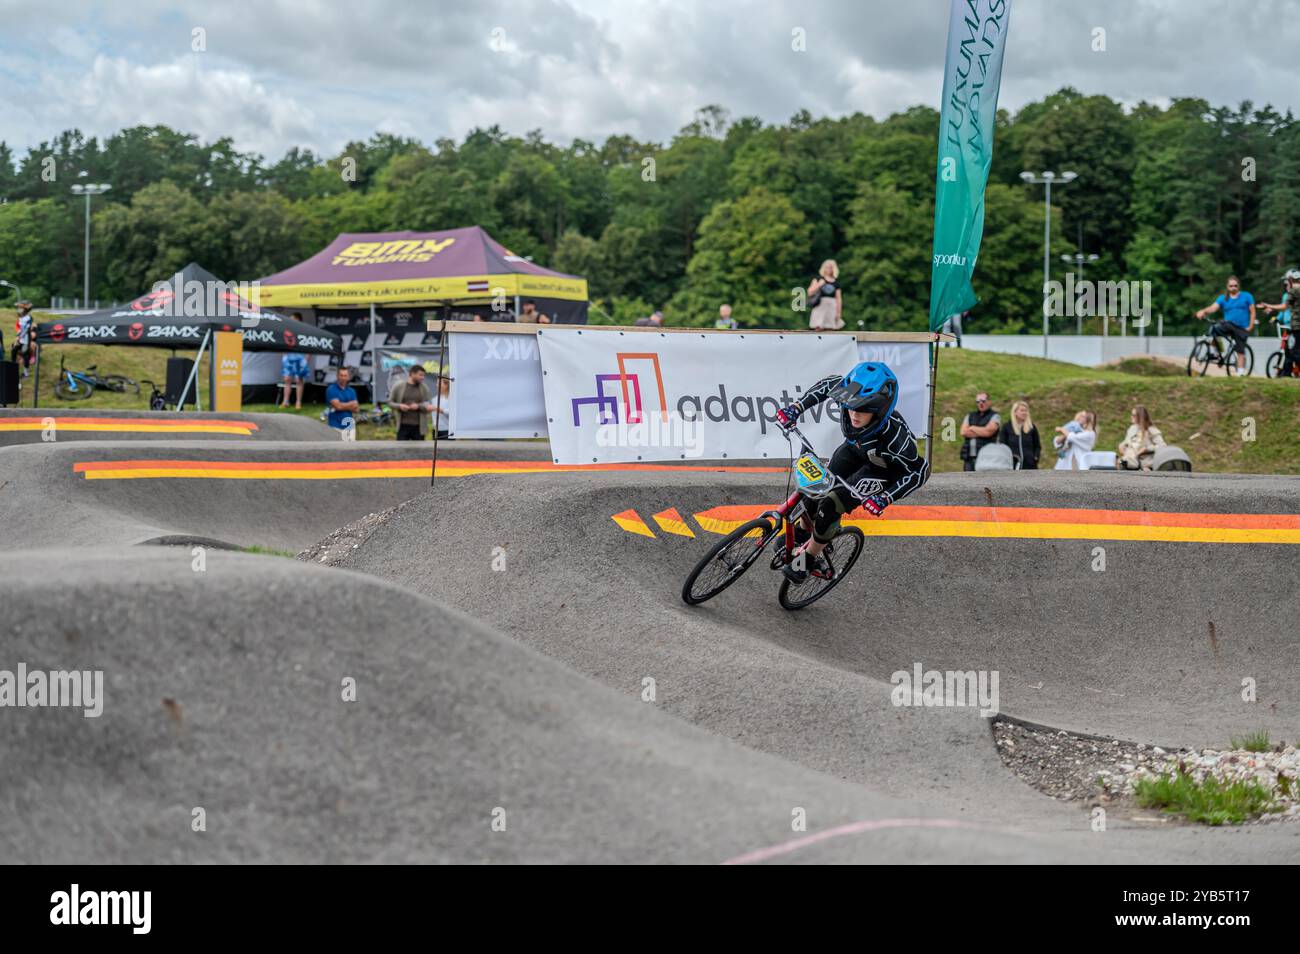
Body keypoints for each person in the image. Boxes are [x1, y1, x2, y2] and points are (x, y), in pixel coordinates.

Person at [774, 362, 929, 583]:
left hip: (883, 470)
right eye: (851, 406)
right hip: (855, 450)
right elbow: (827, 384)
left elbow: (920, 471)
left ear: (879, 411)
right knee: (815, 488)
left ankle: (808, 559)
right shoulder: (851, 396)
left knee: (831, 503)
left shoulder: (897, 440)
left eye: (863, 409)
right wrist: (797, 408)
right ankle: (802, 533)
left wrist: (885, 498)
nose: (854, 414)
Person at [1195, 275, 1255, 373]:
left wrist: (1251, 326)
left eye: (1235, 286)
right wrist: (1203, 311)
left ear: (1238, 286)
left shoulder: (1247, 296)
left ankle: (1240, 374)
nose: (1233, 288)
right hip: (1228, 325)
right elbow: (1213, 308)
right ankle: (1217, 353)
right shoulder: (1223, 298)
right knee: (1214, 329)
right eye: (1231, 286)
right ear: (1227, 287)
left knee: (1240, 351)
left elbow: (1252, 311)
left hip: (1242, 328)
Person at [1258, 269, 1299, 377]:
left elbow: (1284, 307)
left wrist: (1269, 306)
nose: (1286, 285)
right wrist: (1275, 315)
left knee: (1292, 351)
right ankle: (1285, 373)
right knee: (1288, 350)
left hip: (1295, 326)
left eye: (1287, 282)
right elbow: (1284, 310)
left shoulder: (1293, 292)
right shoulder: (1289, 294)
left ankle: (1287, 373)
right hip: (1289, 327)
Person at [389, 364, 434, 441]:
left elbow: (429, 404)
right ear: (412, 374)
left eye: (423, 375)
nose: (422, 378)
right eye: (420, 375)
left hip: (419, 427)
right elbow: (390, 402)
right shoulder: (398, 386)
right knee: (401, 451)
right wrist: (400, 406)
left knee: (419, 451)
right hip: (402, 426)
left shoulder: (424, 388)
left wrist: (418, 406)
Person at [959, 392, 1000, 471]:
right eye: (978, 401)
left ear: (989, 401)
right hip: (969, 457)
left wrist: (972, 428)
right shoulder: (970, 415)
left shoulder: (995, 416)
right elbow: (963, 432)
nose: (981, 403)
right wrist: (982, 431)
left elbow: (988, 432)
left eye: (983, 401)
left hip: (987, 456)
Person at [1117, 406, 1166, 471]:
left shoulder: (1151, 430)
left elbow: (1162, 446)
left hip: (1145, 462)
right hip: (1130, 459)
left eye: (1134, 415)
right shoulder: (1132, 429)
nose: (1131, 417)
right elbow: (1127, 442)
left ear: (1140, 417)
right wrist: (1122, 445)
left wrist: (1147, 448)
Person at [999, 400, 1041, 470]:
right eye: (1022, 410)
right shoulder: (1007, 427)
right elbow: (1002, 445)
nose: (1024, 413)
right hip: (1012, 465)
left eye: (1026, 411)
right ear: (1015, 412)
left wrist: (1035, 457)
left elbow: (1037, 445)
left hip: (1030, 466)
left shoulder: (1031, 427)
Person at [807, 260, 844, 331]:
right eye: (827, 267)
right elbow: (810, 292)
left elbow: (838, 298)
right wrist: (819, 284)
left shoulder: (836, 283)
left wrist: (838, 312)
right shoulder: (818, 279)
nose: (829, 269)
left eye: (831, 267)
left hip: (832, 306)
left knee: (830, 328)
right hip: (820, 305)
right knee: (818, 326)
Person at [325, 367, 359, 431]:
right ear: (337, 376)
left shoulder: (351, 391)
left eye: (345, 376)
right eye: (341, 375)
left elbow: (356, 409)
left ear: (348, 377)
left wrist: (341, 405)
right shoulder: (331, 389)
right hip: (335, 426)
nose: (343, 378)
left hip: (349, 426)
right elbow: (338, 406)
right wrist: (351, 404)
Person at [10, 301, 36, 377]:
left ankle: (26, 373)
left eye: (20, 308)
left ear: (25, 309)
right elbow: (20, 329)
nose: (18, 309)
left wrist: (20, 337)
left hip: (26, 340)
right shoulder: (20, 318)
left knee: (25, 354)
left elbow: (25, 330)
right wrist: (18, 336)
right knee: (14, 350)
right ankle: (13, 368)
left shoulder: (29, 318)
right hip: (21, 339)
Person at [433, 374, 450, 439]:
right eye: (437, 383)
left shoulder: (452, 399)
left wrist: (441, 410)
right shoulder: (435, 399)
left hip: (447, 431)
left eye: (439, 383)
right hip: (436, 431)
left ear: (446, 385)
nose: (437, 385)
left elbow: (453, 414)